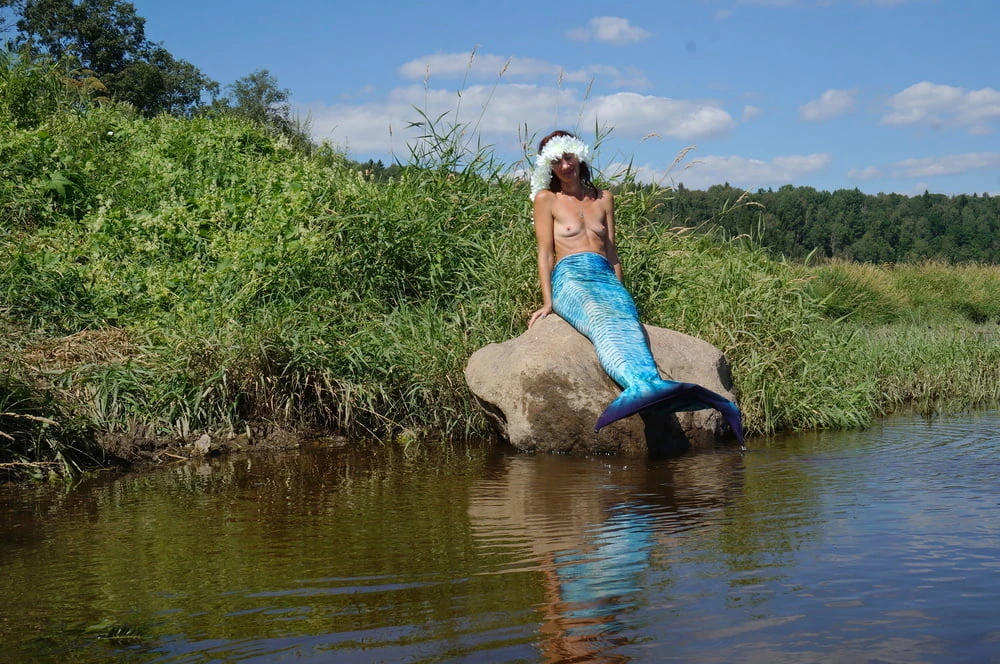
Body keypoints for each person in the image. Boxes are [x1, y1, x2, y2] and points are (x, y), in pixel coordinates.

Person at [526, 130, 745, 444]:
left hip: (603, 274)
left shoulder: (603, 198)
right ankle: (641, 387)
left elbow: (612, 252)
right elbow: (545, 253)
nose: (565, 166)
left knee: (625, 319)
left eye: (569, 156)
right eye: (557, 160)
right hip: (570, 276)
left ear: (580, 155)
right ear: (549, 165)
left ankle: (652, 387)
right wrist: (547, 303)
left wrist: (620, 292)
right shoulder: (547, 199)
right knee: (599, 317)